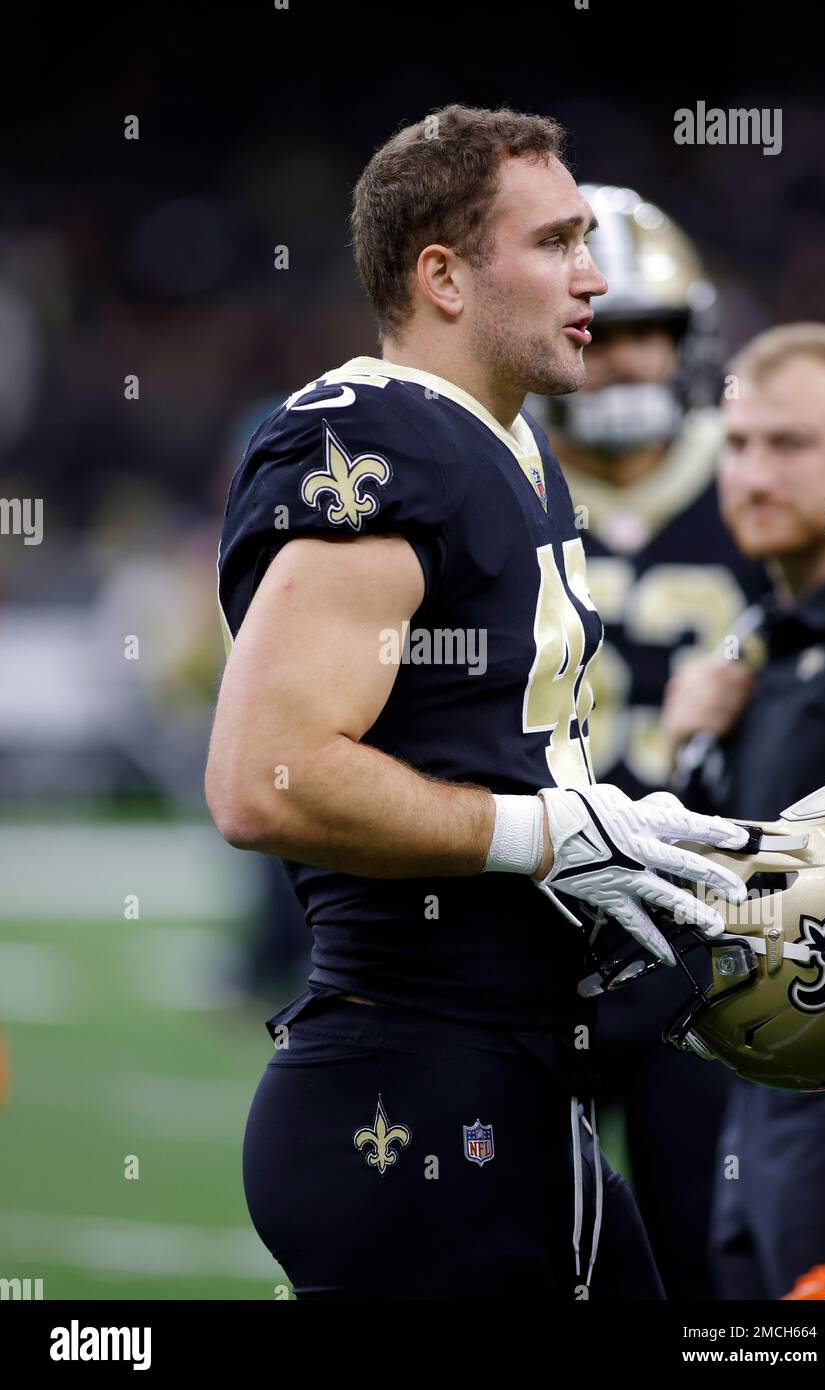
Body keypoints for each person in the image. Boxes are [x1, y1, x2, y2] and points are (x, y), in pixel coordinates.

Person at [206, 104, 750, 1301]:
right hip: (413, 1090)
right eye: (556, 243)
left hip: (503, 1071)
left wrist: (609, 825)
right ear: (443, 276)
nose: (595, 277)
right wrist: (540, 835)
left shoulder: (505, 446)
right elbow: (263, 776)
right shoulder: (383, 446)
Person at [528, 185, 765, 1298]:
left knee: (711, 1258)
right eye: (602, 331)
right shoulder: (491, 471)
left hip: (711, 939)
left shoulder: (760, 472)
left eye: (649, 334)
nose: (623, 362)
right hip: (531, 927)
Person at [663, 321, 825, 1300]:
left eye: (792, 445)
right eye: (738, 444)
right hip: (763, 1098)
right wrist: (693, 752)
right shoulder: (763, 642)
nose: (754, 471)